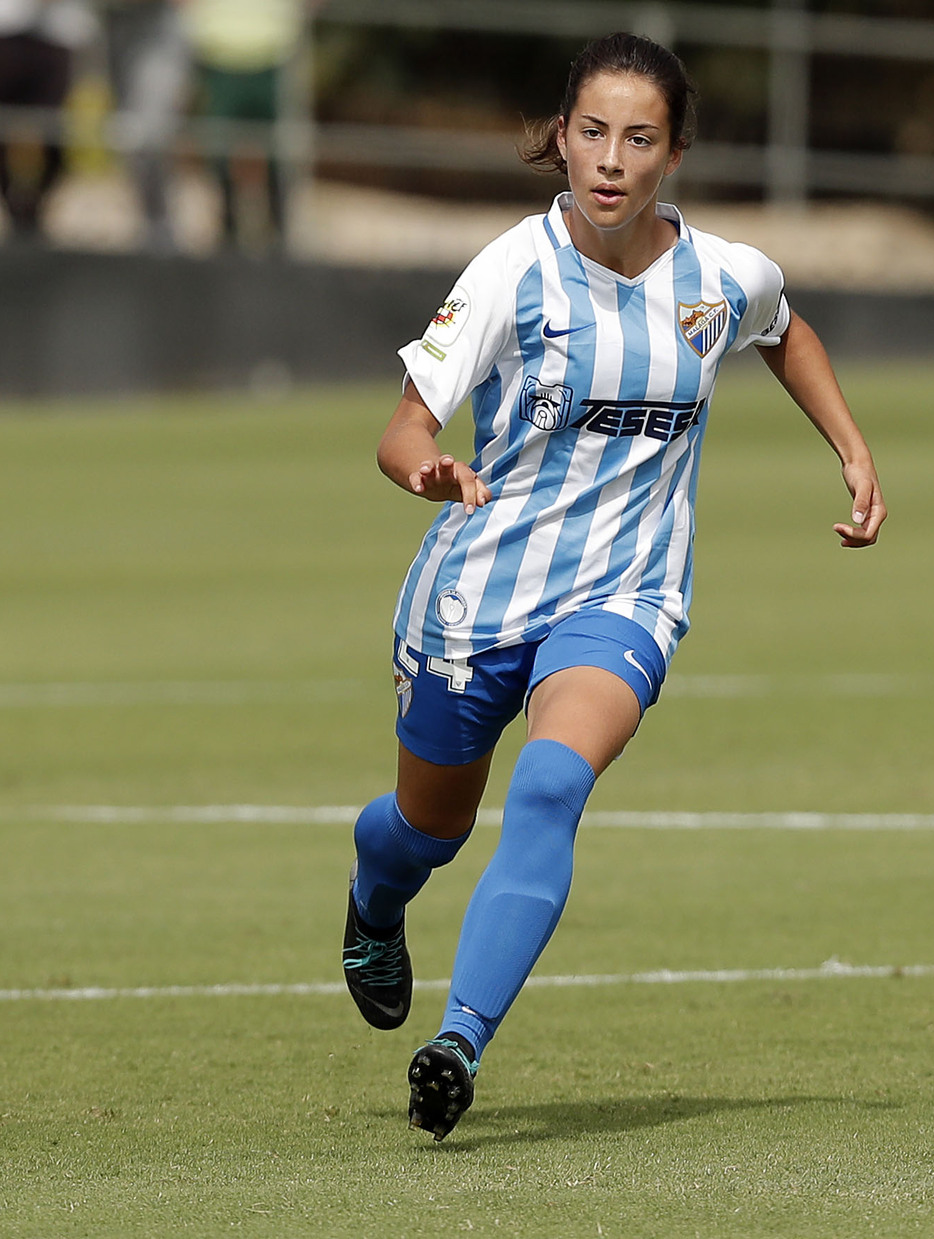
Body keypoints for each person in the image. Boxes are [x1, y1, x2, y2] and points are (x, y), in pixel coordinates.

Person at [341, 32, 888, 1141]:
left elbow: (784, 331)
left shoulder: (722, 277)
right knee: (426, 830)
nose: (610, 159)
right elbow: (403, 426)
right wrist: (429, 470)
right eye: (592, 132)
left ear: (673, 152)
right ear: (560, 137)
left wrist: (852, 447)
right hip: (475, 596)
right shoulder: (512, 271)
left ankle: (460, 1044)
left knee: (548, 791)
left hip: (626, 595)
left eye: (639, 138)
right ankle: (371, 902)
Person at [0, 0, 97, 239]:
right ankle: (12, 214)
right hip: (2, 26)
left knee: (54, 130)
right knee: (0, 129)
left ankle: (35, 210)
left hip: (58, 33)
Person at [184, 0, 300, 251]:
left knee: (277, 152)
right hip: (217, 54)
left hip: (272, 53)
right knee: (218, 150)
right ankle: (228, 230)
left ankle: (281, 234)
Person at [105, 0, 189, 252]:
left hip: (158, 27)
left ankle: (161, 225)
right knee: (130, 133)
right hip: (115, 25)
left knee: (150, 130)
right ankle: (151, 222)